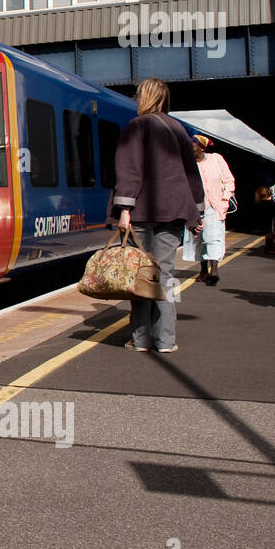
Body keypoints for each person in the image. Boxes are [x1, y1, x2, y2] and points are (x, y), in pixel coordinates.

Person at [111, 78, 206, 353]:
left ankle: (140, 340)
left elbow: (129, 171)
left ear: (144, 97)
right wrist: (197, 214)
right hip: (174, 212)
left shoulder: (135, 127)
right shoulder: (177, 129)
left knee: (141, 276)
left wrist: (124, 210)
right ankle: (165, 341)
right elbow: (192, 175)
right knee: (165, 275)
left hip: (141, 213)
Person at [184, 135, 235, 285]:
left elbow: (229, 180)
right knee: (197, 238)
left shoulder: (216, 159)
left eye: (192, 146)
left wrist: (225, 199)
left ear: (201, 147)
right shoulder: (187, 165)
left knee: (213, 237)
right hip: (194, 207)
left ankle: (214, 269)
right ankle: (203, 269)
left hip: (214, 206)